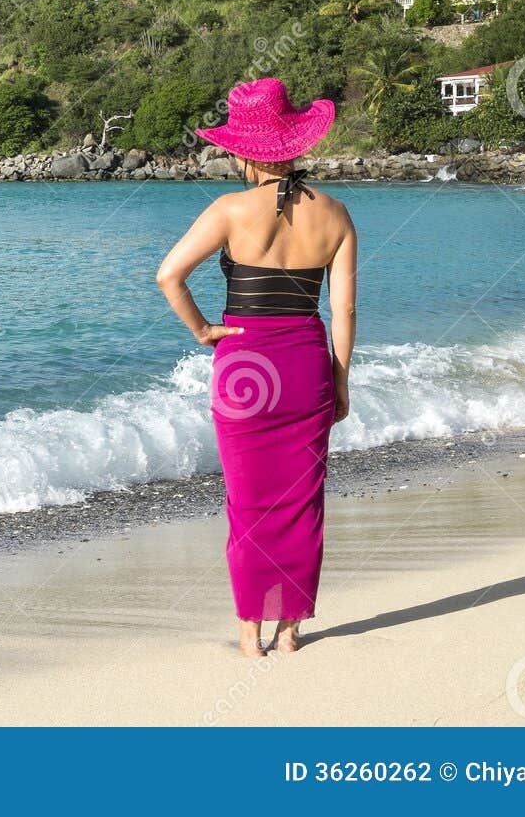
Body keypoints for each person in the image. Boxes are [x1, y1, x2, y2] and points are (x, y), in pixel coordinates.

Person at [155, 78, 357, 657]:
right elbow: (342, 308)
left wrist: (203, 331)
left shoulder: (227, 210)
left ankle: (251, 632)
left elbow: (169, 276)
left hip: (244, 365)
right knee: (302, 501)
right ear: (294, 144)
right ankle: (290, 629)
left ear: (243, 151)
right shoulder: (336, 214)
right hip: (305, 367)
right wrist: (339, 379)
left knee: (248, 503)